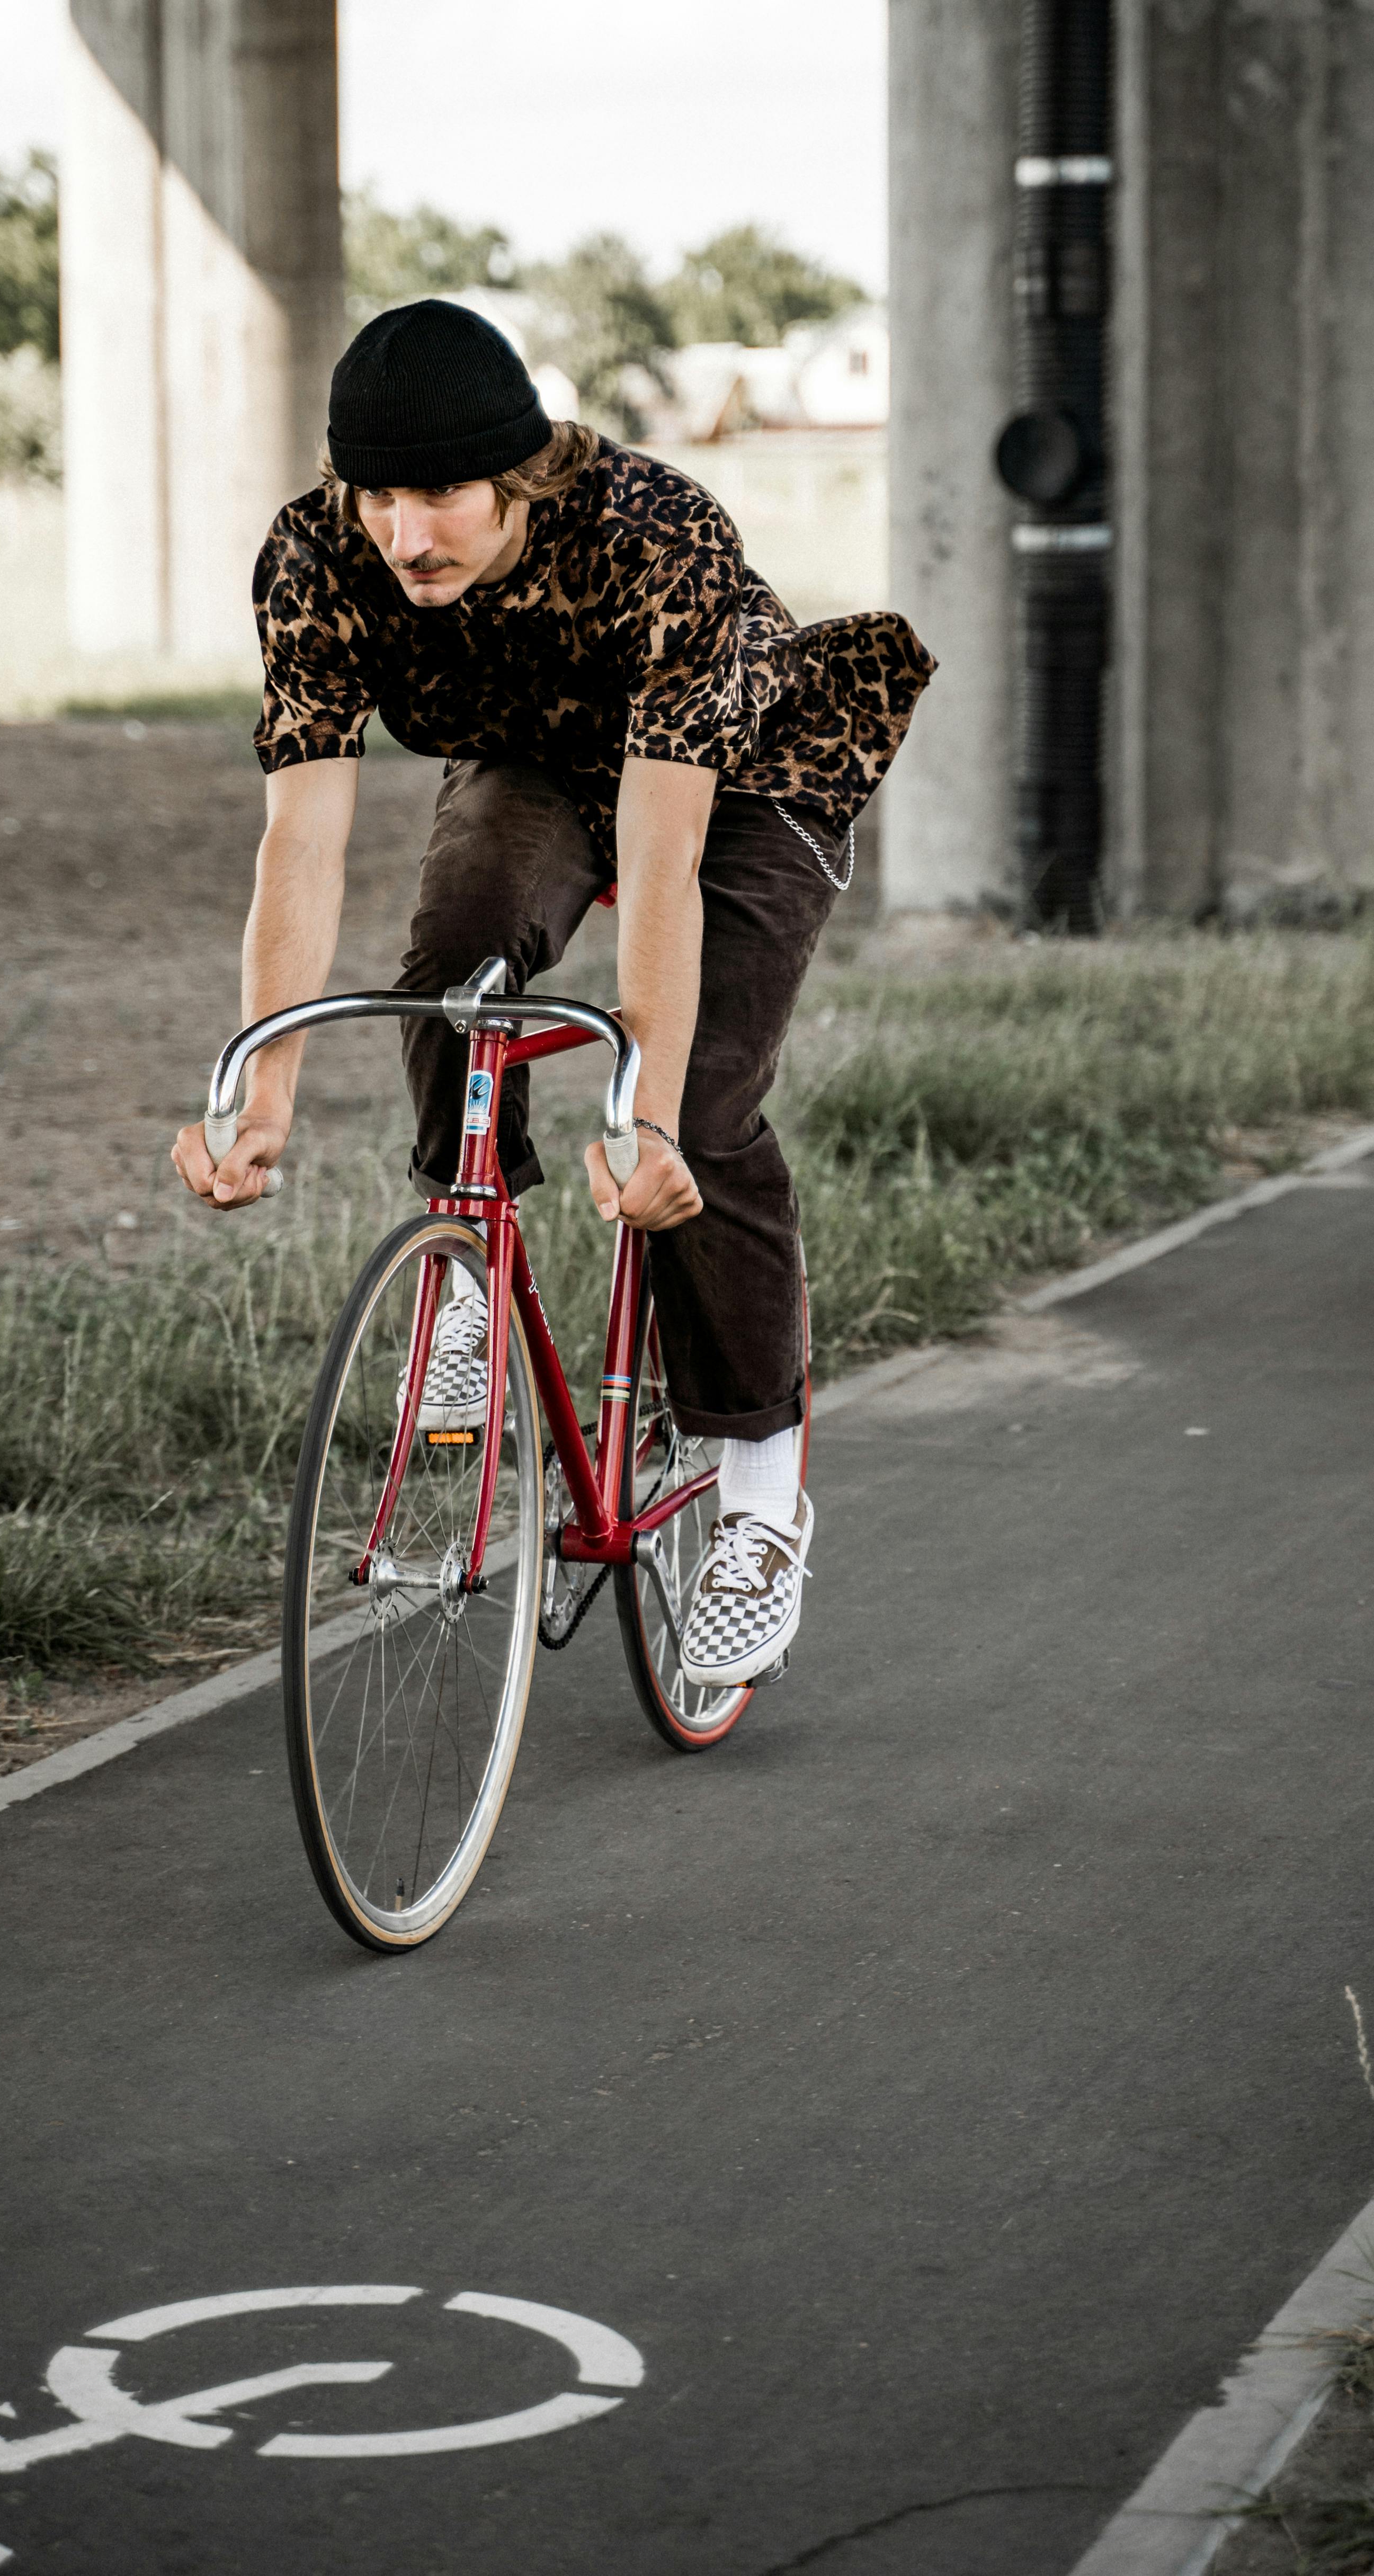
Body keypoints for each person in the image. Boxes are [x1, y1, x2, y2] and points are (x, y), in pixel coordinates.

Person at [173, 300, 934, 1690]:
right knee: (452, 977)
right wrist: (260, 1089)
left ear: (517, 478)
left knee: (696, 1112)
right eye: (383, 497)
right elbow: (304, 834)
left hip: (742, 778)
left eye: (443, 495)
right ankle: (463, 1269)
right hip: (532, 764)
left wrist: (635, 1109)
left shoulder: (657, 532)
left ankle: (759, 1494)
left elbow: (663, 849)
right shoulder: (312, 556)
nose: (409, 536)